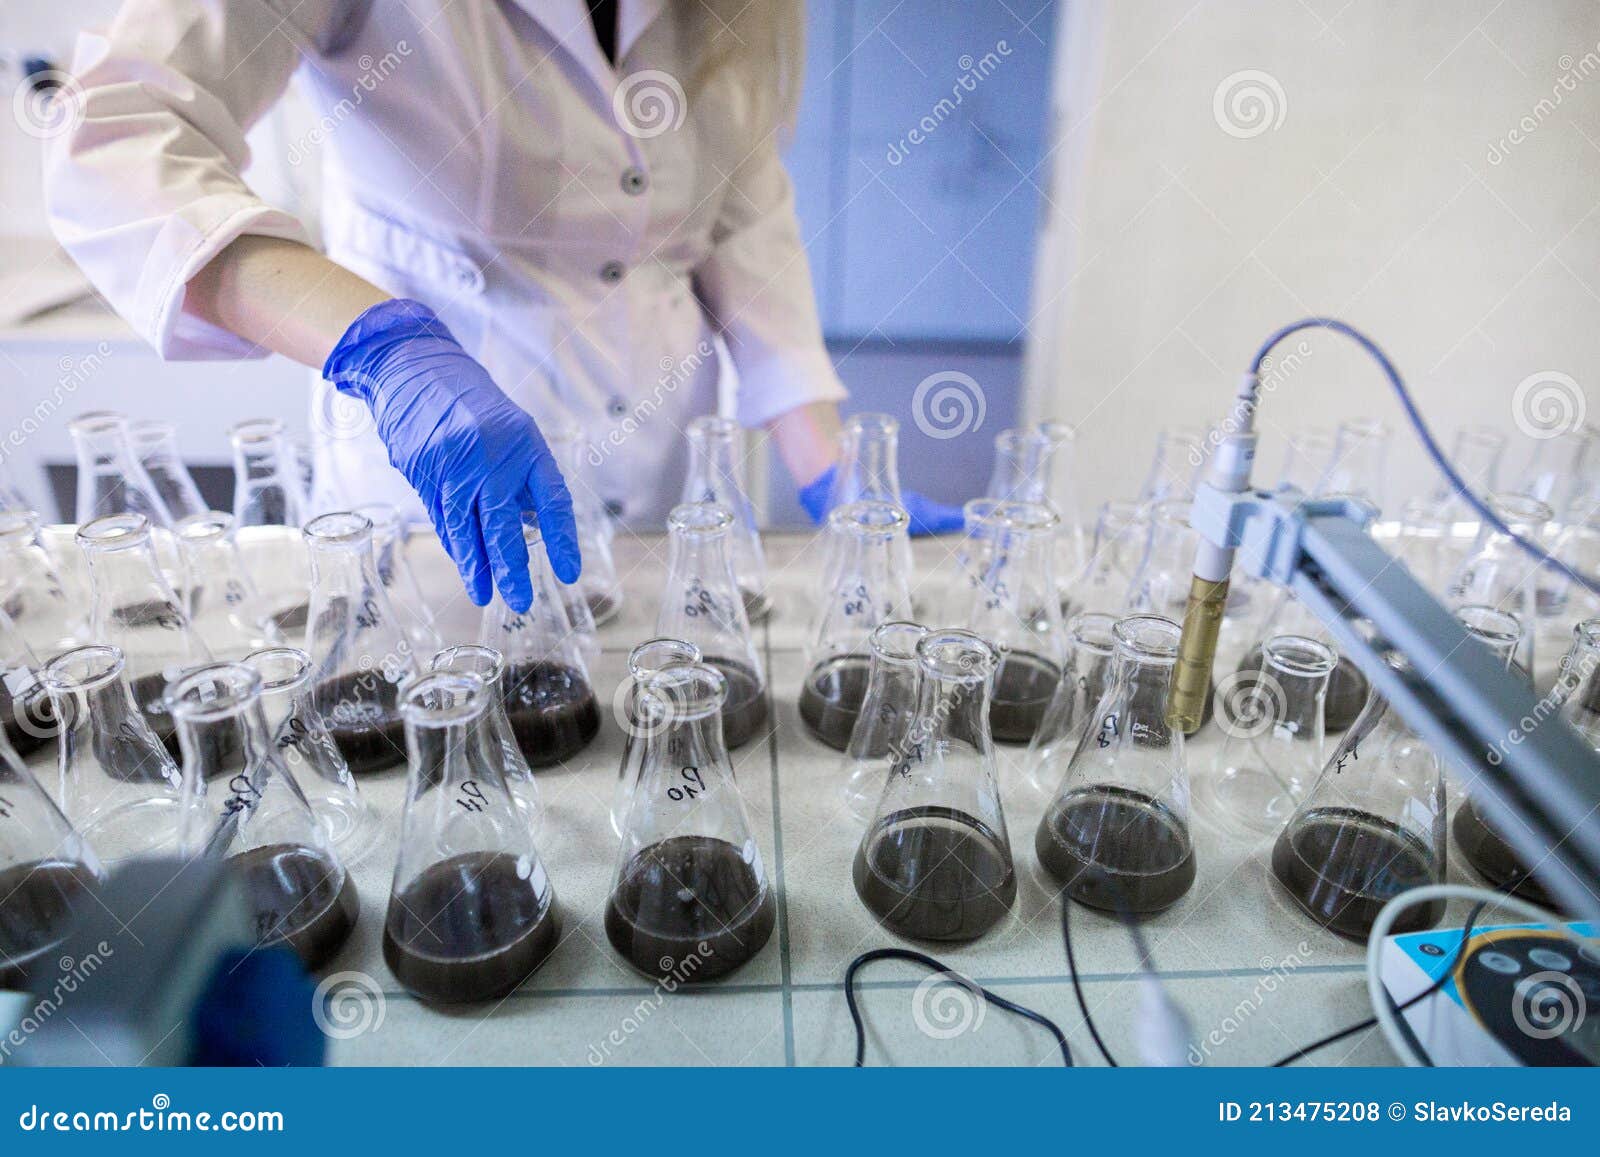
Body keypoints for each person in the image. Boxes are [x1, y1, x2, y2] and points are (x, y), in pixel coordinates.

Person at [44, 0, 960, 613]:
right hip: (431, 489)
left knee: (653, 738)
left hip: (659, 472)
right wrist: (383, 348)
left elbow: (743, 208)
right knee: (448, 763)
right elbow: (117, 139)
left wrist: (829, 464)